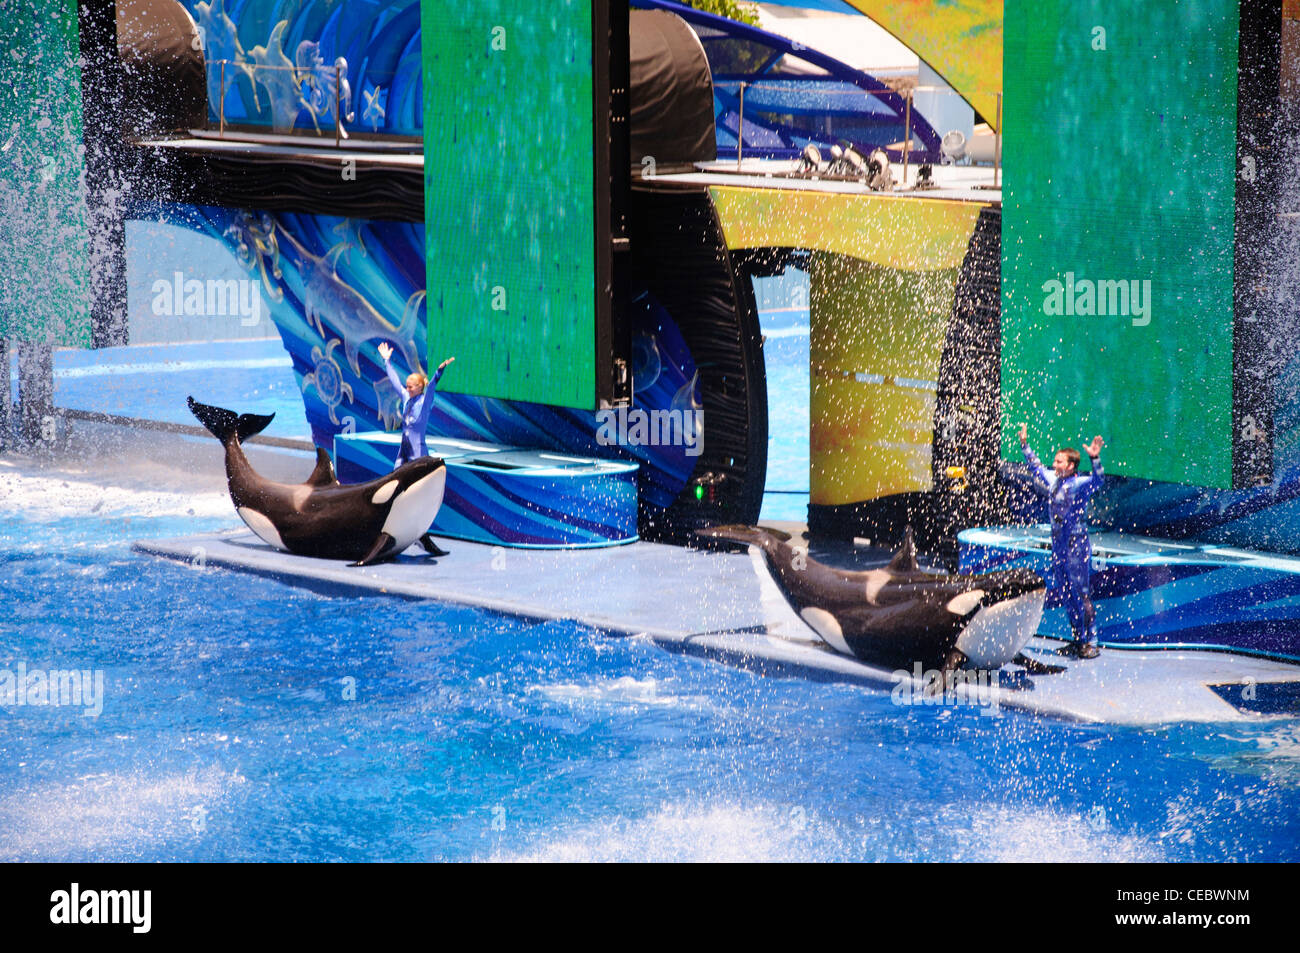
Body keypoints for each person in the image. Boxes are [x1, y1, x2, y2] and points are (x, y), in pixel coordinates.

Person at [1018, 422, 1106, 658]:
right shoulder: (1054, 480)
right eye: (1055, 461)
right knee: (1066, 593)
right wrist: (1025, 444)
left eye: (1059, 461)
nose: (1054, 464)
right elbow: (1036, 467)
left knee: (1081, 592)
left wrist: (1095, 460)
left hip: (1076, 544)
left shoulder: (1079, 484)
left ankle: (1093, 641)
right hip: (1058, 545)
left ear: (1070, 465)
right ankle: (1078, 639)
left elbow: (1099, 481)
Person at [378, 341, 454, 555]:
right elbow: (394, 383)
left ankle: (421, 534)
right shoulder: (406, 399)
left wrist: (439, 371)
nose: (407, 388)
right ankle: (392, 528)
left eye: (412, 386)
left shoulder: (424, 401)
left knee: (417, 496)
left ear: (420, 387)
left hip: (418, 454)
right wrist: (387, 361)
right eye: (408, 385)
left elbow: (432, 388)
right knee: (393, 487)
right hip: (403, 453)